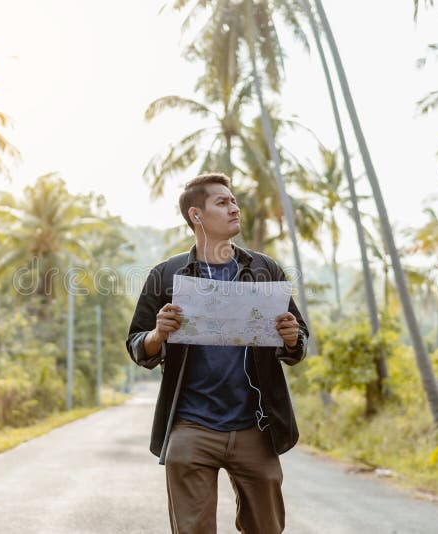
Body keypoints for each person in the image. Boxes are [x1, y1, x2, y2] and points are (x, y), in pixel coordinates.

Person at [125, 173, 310, 534]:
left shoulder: (264, 270)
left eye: (234, 200)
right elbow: (136, 343)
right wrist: (158, 334)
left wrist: (291, 336)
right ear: (196, 215)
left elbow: (298, 340)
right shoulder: (166, 275)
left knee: (267, 528)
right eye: (222, 202)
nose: (234, 208)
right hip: (191, 425)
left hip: (254, 426)